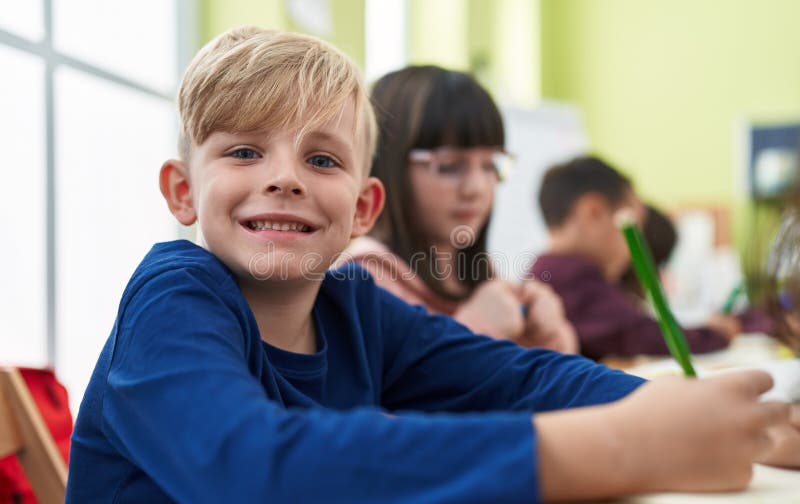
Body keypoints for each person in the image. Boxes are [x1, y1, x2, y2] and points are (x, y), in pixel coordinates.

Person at [65, 27, 796, 503]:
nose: (284, 177)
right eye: (244, 151)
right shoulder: (174, 296)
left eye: (321, 158)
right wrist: (620, 444)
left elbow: (521, 377)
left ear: (361, 208)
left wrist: (722, 417)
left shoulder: (354, 306)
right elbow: (253, 465)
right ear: (183, 191)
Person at [344, 65, 576, 353]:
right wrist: (478, 326)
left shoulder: (480, 274)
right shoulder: (364, 279)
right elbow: (393, 392)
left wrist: (548, 335)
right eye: (449, 166)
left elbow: (542, 387)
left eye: (491, 165)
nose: (476, 188)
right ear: (388, 165)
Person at [530, 155, 742, 361]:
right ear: (593, 213)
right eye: (635, 225)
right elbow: (637, 335)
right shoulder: (573, 277)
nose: (638, 242)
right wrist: (712, 335)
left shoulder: (552, 271)